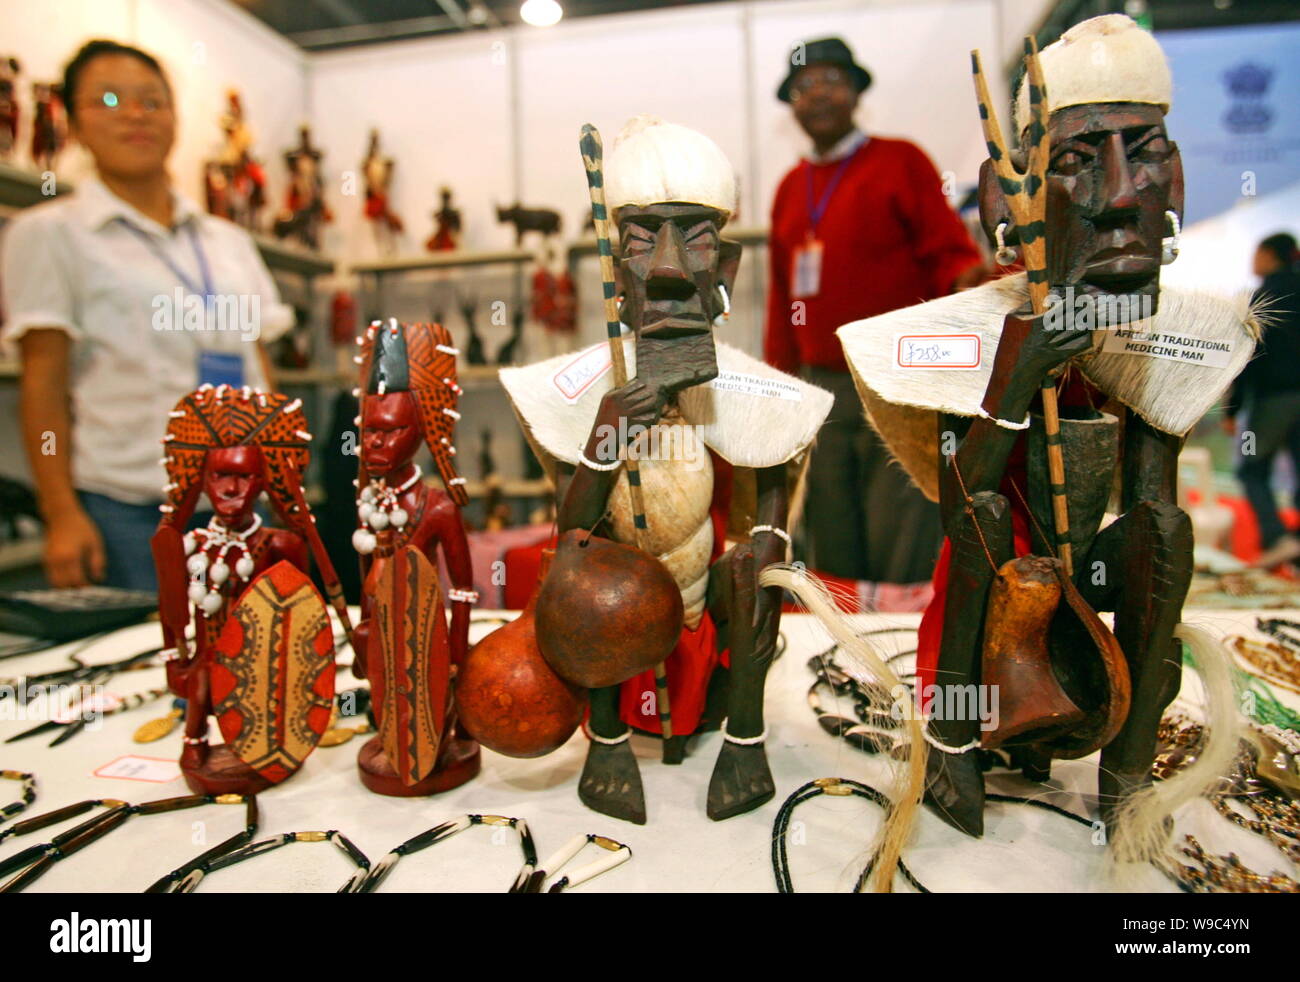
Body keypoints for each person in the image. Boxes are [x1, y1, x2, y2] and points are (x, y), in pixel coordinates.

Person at [1, 39, 292, 591]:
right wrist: (61, 514)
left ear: (175, 118)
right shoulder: (48, 234)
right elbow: (42, 383)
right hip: (131, 511)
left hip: (244, 502)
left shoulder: (228, 241)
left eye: (152, 101)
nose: (135, 114)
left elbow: (257, 364)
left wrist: (280, 480)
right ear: (73, 121)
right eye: (109, 99)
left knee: (254, 664)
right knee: (153, 671)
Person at [764, 37, 983, 584]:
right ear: (791, 102)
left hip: (898, 379)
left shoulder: (900, 161)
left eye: (831, 80)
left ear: (855, 92)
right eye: (803, 85)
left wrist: (978, 290)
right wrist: (779, 390)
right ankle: (838, 654)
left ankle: (905, 652)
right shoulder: (791, 189)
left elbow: (948, 254)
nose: (817, 95)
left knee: (903, 528)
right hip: (822, 387)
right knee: (829, 534)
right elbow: (781, 298)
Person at [1224, 232, 1300, 567]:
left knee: (1253, 470)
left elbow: (1248, 357)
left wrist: (1233, 407)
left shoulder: (1264, 297)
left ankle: (1276, 537)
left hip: (1275, 396)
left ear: (1270, 256)